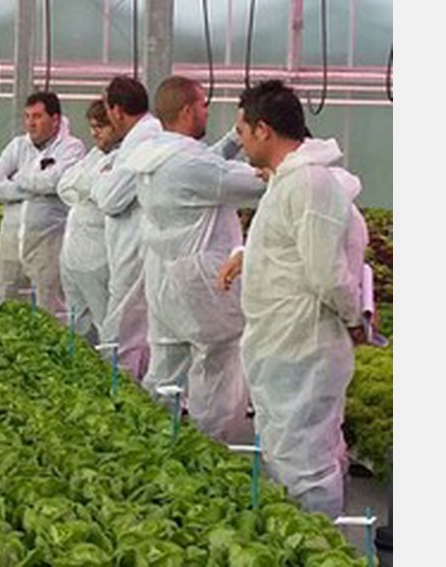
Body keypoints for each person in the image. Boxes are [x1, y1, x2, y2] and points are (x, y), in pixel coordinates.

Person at [218, 79, 367, 517]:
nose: (240, 144)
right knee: (291, 452)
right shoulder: (291, 182)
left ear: (264, 129)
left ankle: (320, 548)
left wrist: (354, 319)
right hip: (284, 342)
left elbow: (327, 273)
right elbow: (290, 252)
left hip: (302, 345)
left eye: (242, 132)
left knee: (306, 463)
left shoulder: (309, 183)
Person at [120, 76, 266, 444]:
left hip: (166, 281)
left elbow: (201, 165)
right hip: (204, 285)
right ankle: (210, 455)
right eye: (203, 105)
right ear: (187, 110)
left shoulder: (156, 156)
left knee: (164, 371)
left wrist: (235, 139)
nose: (207, 110)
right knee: (216, 374)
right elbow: (261, 181)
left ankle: (154, 446)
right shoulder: (194, 167)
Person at [0, 91, 86, 318]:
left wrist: (17, 178)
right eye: (27, 116)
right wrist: (30, 189)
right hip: (10, 241)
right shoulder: (18, 146)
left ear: (55, 119)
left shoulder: (72, 148)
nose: (31, 123)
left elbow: (56, 182)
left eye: (38, 116)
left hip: (48, 241)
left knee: (50, 307)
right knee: (5, 304)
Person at [89, 76, 161, 380]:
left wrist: (99, 180)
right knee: (134, 336)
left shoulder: (143, 141)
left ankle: (124, 406)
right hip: (132, 251)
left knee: (122, 338)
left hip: (135, 251)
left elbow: (109, 198)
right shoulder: (137, 140)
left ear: (117, 111)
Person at [57, 99, 119, 347]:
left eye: (101, 126)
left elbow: (103, 194)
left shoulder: (121, 157)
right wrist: (89, 184)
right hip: (73, 255)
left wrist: (84, 185)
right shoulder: (95, 155)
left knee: (108, 325)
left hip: (98, 257)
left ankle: (114, 379)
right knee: (77, 323)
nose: (94, 133)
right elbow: (63, 185)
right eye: (92, 126)